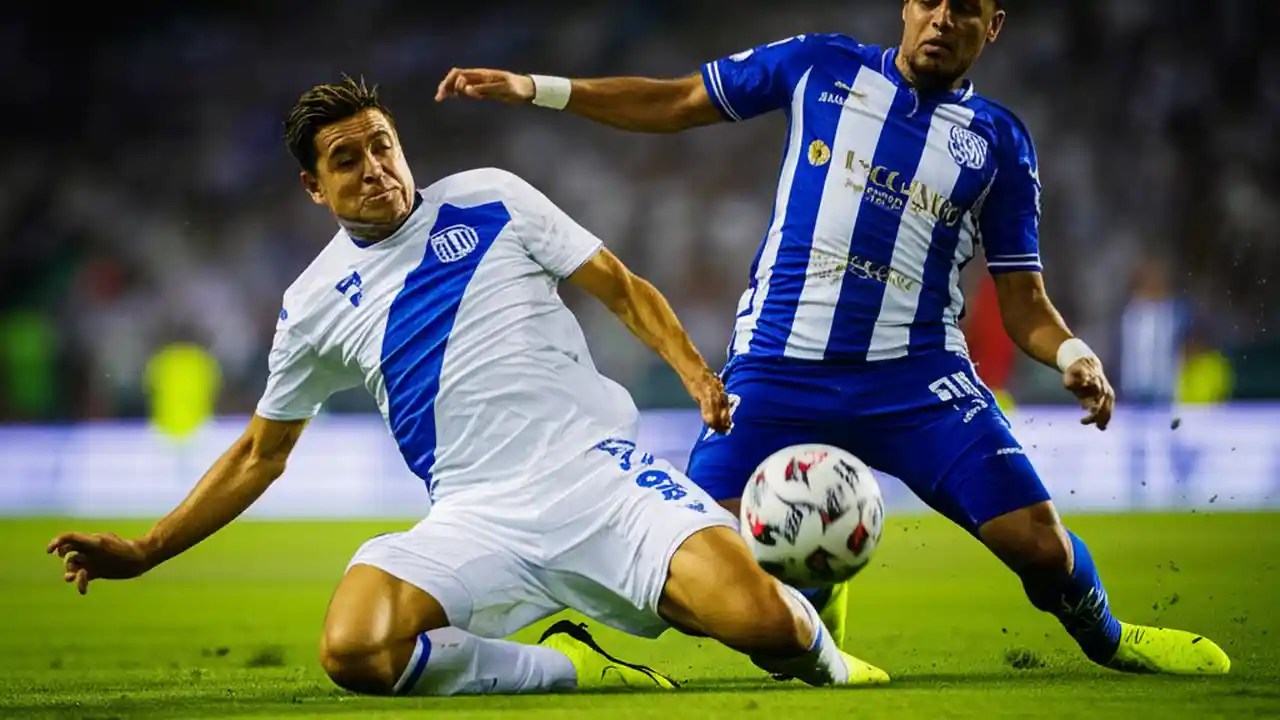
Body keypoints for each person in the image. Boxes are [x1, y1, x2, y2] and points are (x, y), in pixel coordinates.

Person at [435, 0, 1230, 675]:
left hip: (916, 379)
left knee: (1041, 548)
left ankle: (1111, 638)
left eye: (964, 9)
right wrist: (536, 88)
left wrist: (1073, 354)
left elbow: (1023, 299)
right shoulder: (820, 67)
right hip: (779, 373)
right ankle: (817, 587)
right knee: (702, 576)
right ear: (906, 8)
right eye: (928, 1)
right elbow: (677, 100)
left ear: (994, 25)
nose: (941, 19)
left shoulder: (999, 142)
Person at [45, 76, 892, 696]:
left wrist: (697, 374)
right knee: (355, 650)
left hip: (599, 480)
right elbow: (260, 455)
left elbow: (622, 287)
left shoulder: (490, 198)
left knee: (764, 626)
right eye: (346, 159)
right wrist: (147, 550)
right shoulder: (311, 304)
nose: (375, 167)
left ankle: (823, 636)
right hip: (477, 517)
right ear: (314, 187)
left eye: (382, 145)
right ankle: (562, 666)